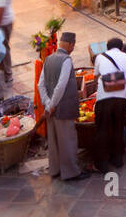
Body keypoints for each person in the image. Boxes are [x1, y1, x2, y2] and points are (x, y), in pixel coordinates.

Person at [38, 30, 89, 182]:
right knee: (67, 140)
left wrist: (47, 104)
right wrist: (53, 103)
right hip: (62, 108)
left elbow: (40, 84)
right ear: (70, 44)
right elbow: (61, 85)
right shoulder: (66, 60)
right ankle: (71, 172)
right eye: (73, 45)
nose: (73, 48)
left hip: (50, 110)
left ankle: (55, 170)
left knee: (53, 141)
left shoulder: (48, 59)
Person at [93, 38, 126, 175]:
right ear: (122, 47)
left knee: (102, 130)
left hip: (104, 98)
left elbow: (95, 77)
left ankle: (101, 165)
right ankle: (117, 160)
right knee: (118, 128)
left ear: (107, 47)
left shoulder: (100, 57)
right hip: (121, 99)